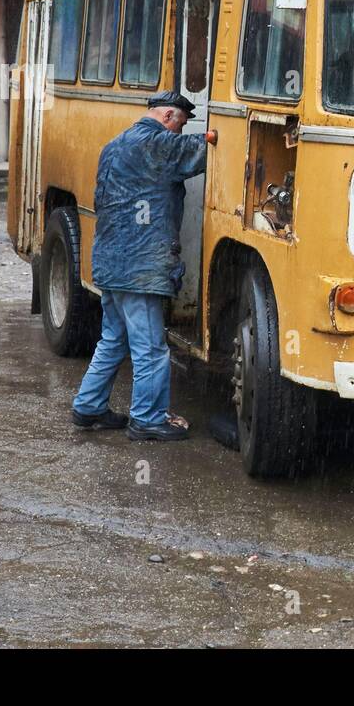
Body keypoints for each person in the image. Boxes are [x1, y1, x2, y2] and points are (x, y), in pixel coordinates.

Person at [70, 90, 217, 442]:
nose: (178, 132)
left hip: (109, 261)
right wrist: (214, 133)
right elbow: (207, 145)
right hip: (140, 267)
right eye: (180, 124)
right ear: (168, 116)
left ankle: (88, 406)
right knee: (150, 347)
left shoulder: (113, 146)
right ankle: (147, 418)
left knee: (112, 339)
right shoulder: (161, 145)